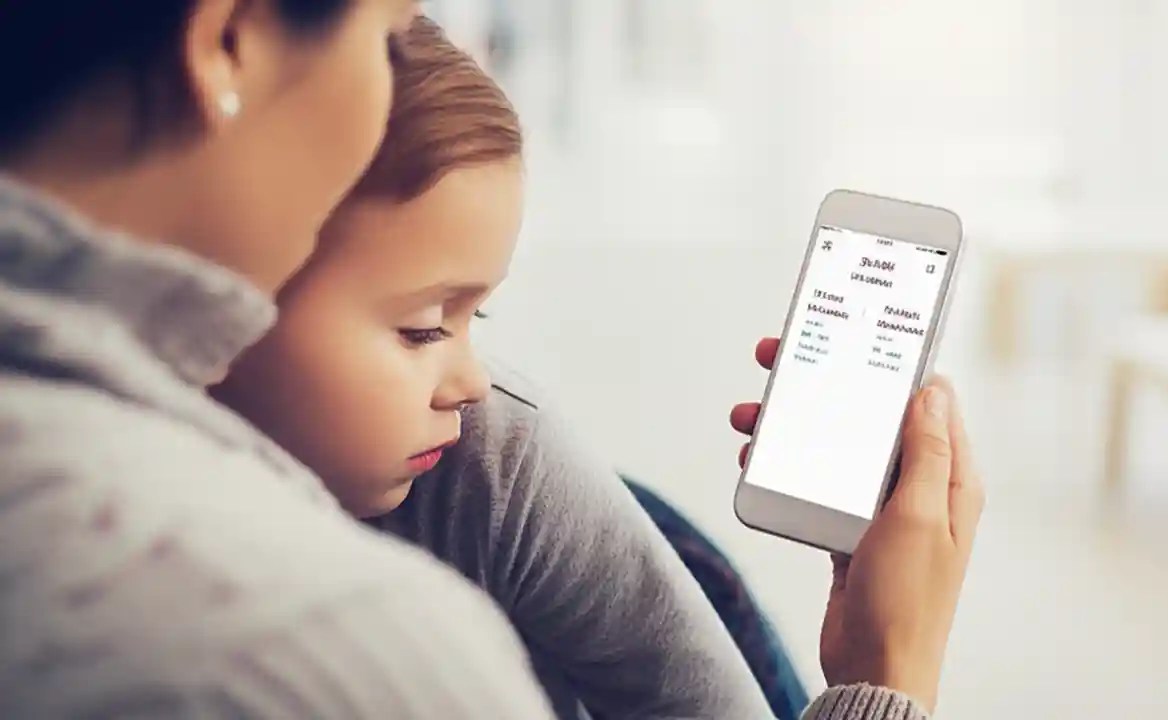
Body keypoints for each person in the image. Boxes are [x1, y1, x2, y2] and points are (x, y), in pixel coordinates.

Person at [0, 2, 983, 719]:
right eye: (387, 31)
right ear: (228, 37)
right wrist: (889, 677)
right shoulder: (340, 646)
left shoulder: (493, 464)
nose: (470, 379)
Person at [213, 18, 773, 718]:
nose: (471, 381)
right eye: (422, 330)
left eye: (474, 318)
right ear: (221, 299)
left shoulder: (494, 463)